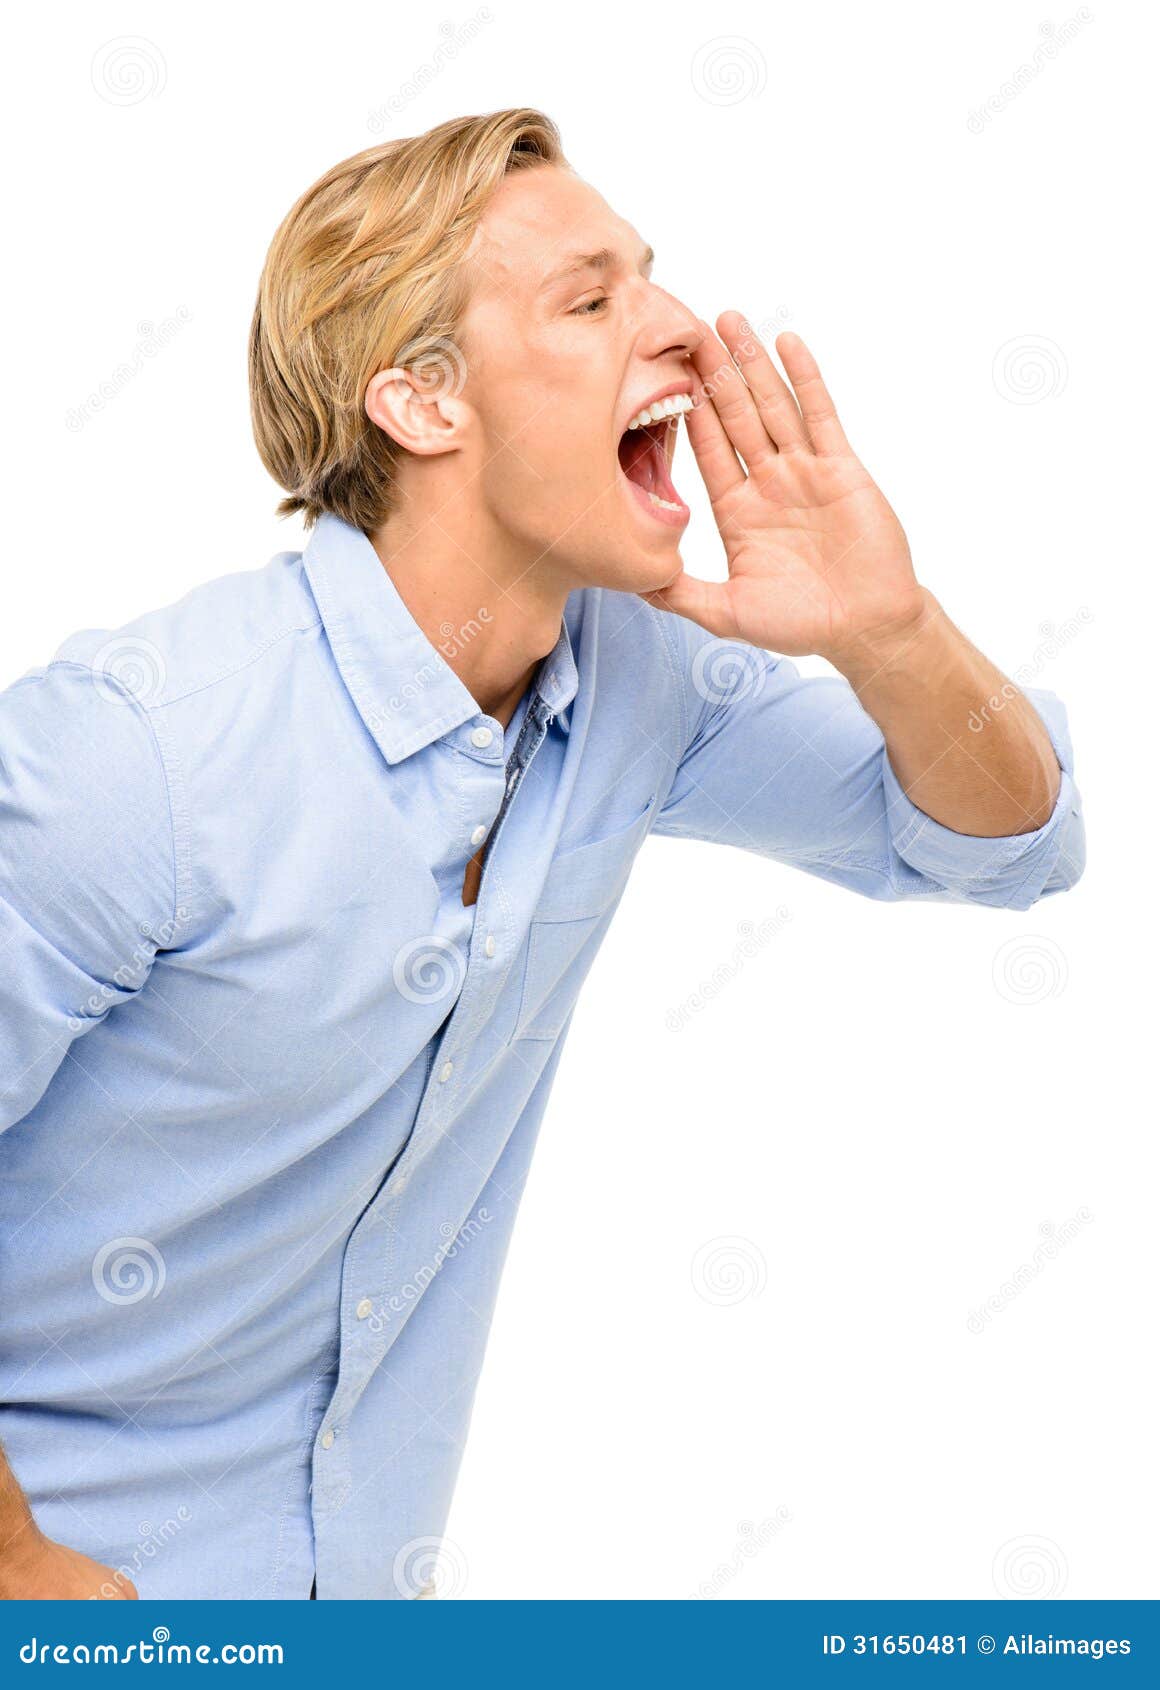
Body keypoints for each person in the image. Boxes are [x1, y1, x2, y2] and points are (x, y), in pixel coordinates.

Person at [0, 108, 1084, 1601]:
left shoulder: (639, 679)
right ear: (423, 404)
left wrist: (887, 633)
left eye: (649, 277)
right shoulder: (141, 755)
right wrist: (16, 1564)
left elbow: (1006, 846)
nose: (686, 332)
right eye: (591, 300)